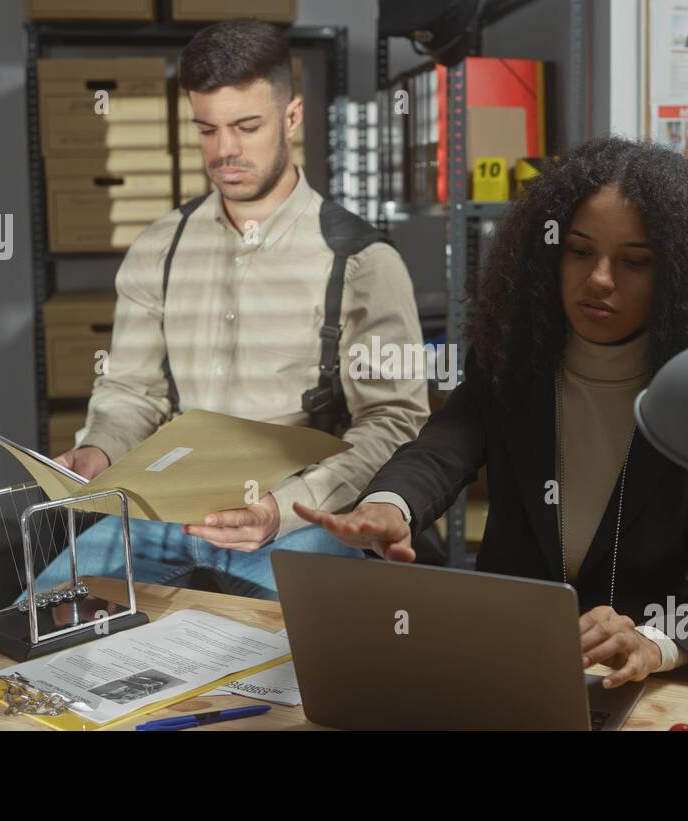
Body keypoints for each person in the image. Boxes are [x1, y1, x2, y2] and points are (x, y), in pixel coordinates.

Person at [295, 137, 688, 687]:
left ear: (678, 275)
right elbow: (442, 448)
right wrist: (388, 507)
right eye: (579, 250)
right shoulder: (513, 358)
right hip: (521, 672)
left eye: (635, 261)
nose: (599, 278)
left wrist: (654, 643)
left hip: (657, 691)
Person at [32, 19, 430, 600]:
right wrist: (99, 450)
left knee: (305, 679)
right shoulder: (159, 249)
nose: (225, 152)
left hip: (297, 521)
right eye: (207, 129)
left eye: (247, 126)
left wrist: (285, 508)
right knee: (30, 632)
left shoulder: (362, 262)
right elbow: (131, 392)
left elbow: (393, 423)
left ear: (292, 117)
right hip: (161, 516)